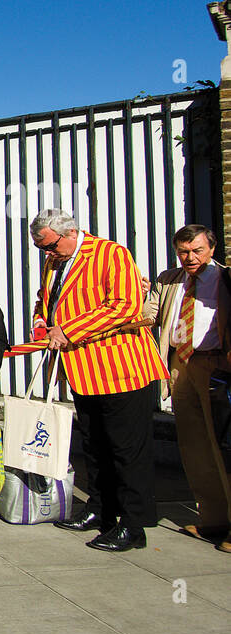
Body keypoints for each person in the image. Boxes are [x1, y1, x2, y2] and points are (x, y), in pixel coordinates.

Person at [31, 208, 167, 551]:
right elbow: (46, 300)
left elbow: (124, 305)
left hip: (121, 367)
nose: (47, 254)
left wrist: (69, 330)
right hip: (82, 369)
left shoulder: (111, 254)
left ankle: (133, 523)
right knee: (94, 445)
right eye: (41, 248)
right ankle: (100, 509)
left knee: (127, 449)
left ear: (70, 232)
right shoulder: (55, 262)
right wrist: (41, 325)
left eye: (49, 246)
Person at [144, 224, 231, 553]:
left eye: (196, 250)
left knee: (223, 447)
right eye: (183, 251)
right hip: (179, 367)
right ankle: (213, 518)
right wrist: (138, 294)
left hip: (215, 366)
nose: (190, 258)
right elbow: (147, 314)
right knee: (195, 447)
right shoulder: (168, 280)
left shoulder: (225, 280)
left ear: (211, 249)